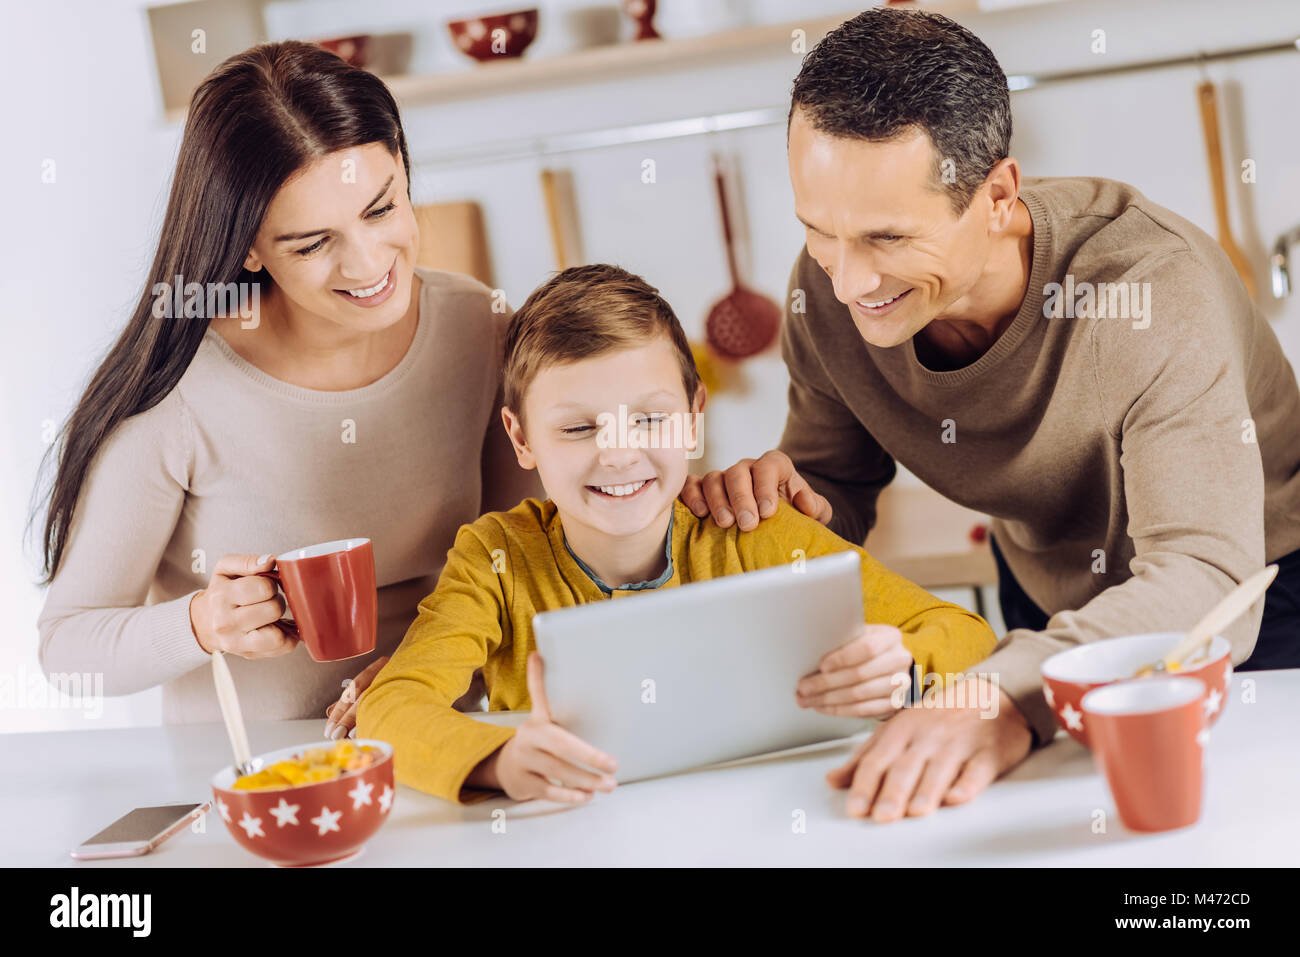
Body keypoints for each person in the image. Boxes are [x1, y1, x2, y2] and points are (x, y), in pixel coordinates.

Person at [680, 8, 1300, 822]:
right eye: (818, 230)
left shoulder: (1146, 290)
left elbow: (1203, 573)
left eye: (887, 237)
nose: (848, 280)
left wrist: (1003, 689)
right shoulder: (827, 292)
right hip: (1050, 612)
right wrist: (784, 506)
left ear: (998, 195)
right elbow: (835, 479)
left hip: (1255, 603)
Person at [354, 264, 997, 804]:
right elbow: (391, 707)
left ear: (692, 419)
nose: (619, 455)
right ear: (521, 440)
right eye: (578, 429)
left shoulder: (755, 532)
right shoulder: (495, 557)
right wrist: (499, 761)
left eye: (651, 420)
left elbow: (968, 635)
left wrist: (907, 669)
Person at [33, 41, 538, 724]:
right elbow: (68, 648)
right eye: (312, 243)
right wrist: (206, 621)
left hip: (451, 749)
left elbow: (528, 554)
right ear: (248, 248)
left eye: (382, 209)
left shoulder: (479, 326)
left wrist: (424, 666)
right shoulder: (180, 390)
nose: (369, 264)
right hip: (260, 783)